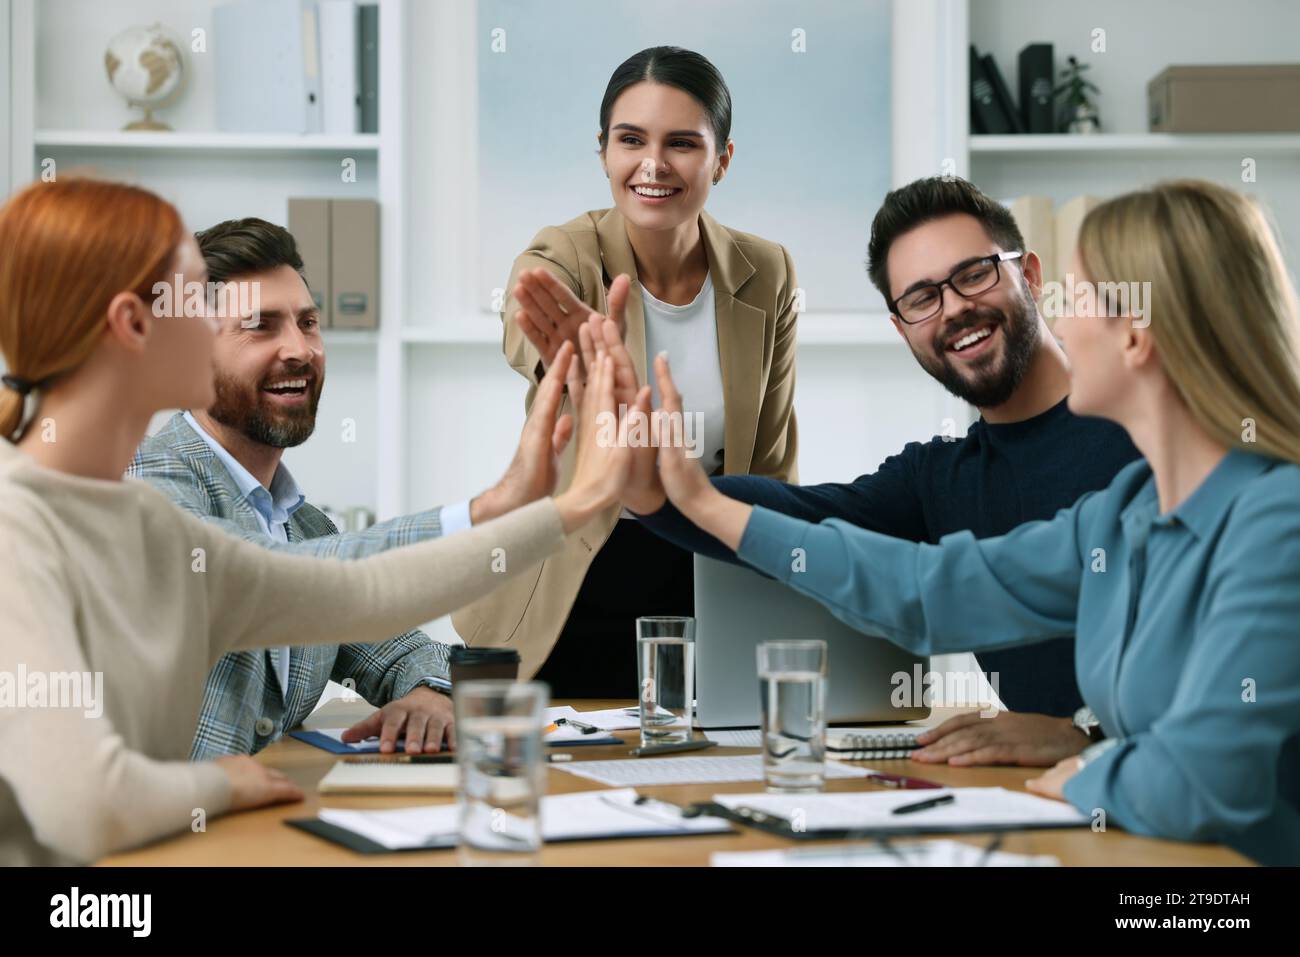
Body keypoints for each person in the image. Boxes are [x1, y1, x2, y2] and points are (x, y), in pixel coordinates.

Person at [648, 179, 1300, 865]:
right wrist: (696, 500)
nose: (1065, 321)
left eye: (1078, 298)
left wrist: (1093, 758)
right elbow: (927, 588)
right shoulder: (1129, 509)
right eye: (924, 295)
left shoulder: (1275, 518)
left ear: (1135, 333)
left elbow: (1204, 780)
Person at [0, 177, 646, 864]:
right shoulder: (20, 526)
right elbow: (87, 810)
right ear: (133, 325)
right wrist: (224, 781)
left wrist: (564, 501)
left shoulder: (146, 524)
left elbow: (358, 593)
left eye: (307, 321)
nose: (299, 347)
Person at [628, 176, 1140, 766]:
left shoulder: (1145, 430)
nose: (954, 308)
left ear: (1028, 275)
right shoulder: (938, 478)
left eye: (974, 274)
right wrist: (652, 489)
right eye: (921, 298)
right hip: (1040, 805)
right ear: (903, 329)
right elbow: (805, 520)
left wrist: (1088, 738)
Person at [129, 218, 560, 758]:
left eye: (307, 323)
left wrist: (428, 692)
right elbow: (272, 578)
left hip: (245, 828)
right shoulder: (146, 481)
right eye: (259, 326)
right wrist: (490, 509)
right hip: (142, 837)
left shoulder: (302, 526)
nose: (300, 349)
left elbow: (401, 647)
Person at [453, 46, 799, 697]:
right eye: (630, 139)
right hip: (572, 579)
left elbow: (773, 461)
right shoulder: (565, 251)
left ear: (721, 159)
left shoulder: (768, 271)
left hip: (710, 574)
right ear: (604, 150)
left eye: (682, 144)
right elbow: (524, 320)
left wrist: (783, 587)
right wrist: (570, 358)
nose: (652, 164)